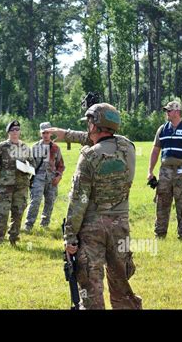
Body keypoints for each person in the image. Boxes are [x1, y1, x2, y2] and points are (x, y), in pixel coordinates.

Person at [61, 103, 142, 310]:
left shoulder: (89, 157)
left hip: (92, 228)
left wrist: (69, 237)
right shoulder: (128, 148)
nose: (87, 127)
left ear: (95, 125)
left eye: (89, 123)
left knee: (91, 286)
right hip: (120, 225)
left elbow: (79, 201)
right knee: (121, 285)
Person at [147, 101, 182, 240]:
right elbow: (155, 150)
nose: (167, 113)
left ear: (177, 112)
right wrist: (150, 171)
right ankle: (160, 234)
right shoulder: (162, 129)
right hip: (165, 171)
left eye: (169, 110)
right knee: (162, 202)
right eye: (166, 110)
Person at [0, 120, 35, 246]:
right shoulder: (2, 147)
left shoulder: (25, 147)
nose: (15, 132)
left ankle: (13, 238)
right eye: (12, 130)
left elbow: (33, 164)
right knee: (2, 213)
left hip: (21, 186)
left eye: (17, 129)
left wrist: (27, 167)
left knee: (18, 212)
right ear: (8, 132)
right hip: (5, 186)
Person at [23, 122, 64, 232]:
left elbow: (61, 165)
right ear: (40, 133)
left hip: (52, 180)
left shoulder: (55, 148)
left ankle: (44, 225)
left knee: (50, 202)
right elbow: (29, 164)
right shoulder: (35, 147)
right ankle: (28, 225)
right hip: (38, 178)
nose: (46, 135)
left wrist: (58, 177)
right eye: (43, 133)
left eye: (48, 132)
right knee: (35, 201)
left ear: (51, 133)